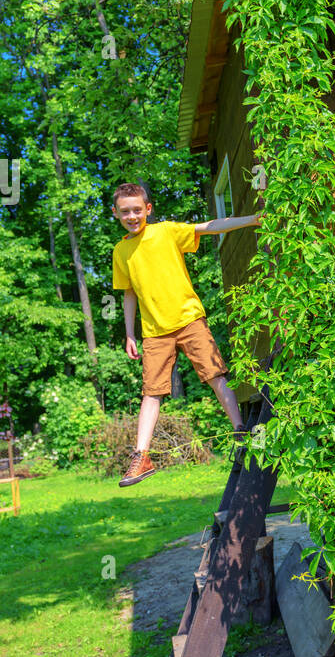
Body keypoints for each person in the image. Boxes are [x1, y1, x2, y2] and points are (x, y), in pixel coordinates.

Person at [111, 182, 261, 487]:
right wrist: (129, 334)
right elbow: (128, 294)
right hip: (154, 333)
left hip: (190, 320)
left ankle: (240, 431)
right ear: (115, 213)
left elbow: (209, 226)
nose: (132, 216)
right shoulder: (121, 250)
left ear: (148, 210)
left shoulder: (165, 231)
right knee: (151, 392)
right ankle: (142, 457)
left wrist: (252, 219)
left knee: (216, 375)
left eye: (137, 210)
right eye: (125, 211)